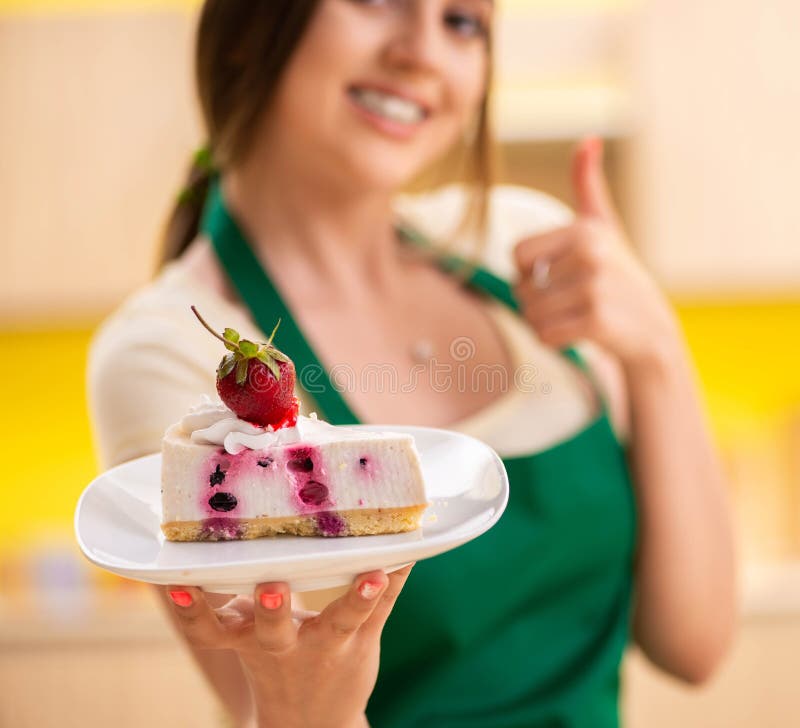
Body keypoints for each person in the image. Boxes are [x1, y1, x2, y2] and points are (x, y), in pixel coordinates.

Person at [87, 1, 737, 726]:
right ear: (250, 26)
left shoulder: (521, 245)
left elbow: (693, 646)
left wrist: (658, 351)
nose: (422, 52)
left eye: (462, 21)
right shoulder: (170, 349)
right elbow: (269, 706)